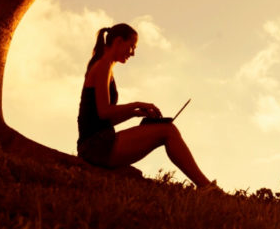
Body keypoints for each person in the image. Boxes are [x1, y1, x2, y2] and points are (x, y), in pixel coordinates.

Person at [77, 23, 215, 188]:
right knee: (168, 130)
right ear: (119, 41)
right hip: (96, 146)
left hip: (97, 143)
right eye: (132, 47)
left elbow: (101, 119)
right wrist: (136, 103)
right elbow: (104, 111)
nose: (133, 53)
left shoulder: (104, 66)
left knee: (167, 130)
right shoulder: (104, 65)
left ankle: (206, 186)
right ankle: (207, 187)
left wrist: (136, 113)